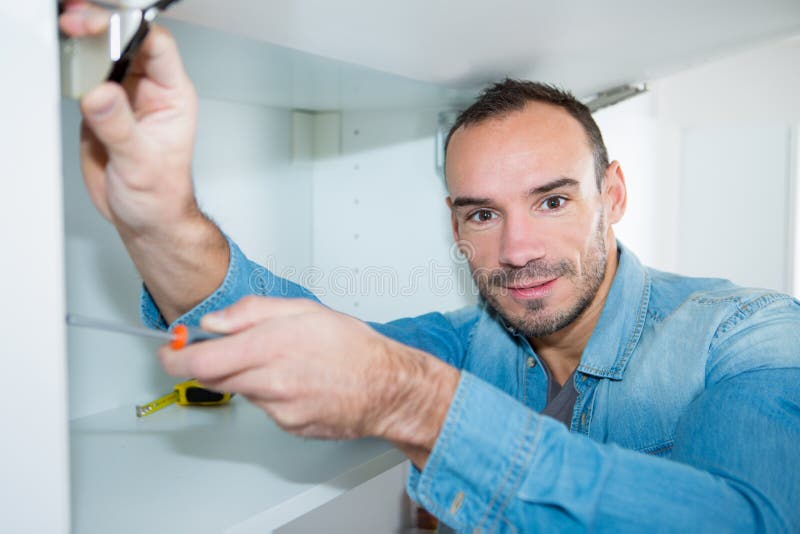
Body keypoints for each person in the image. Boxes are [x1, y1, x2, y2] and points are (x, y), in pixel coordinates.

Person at [60, 3, 800, 532]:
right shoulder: (470, 342)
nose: (516, 251)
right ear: (455, 226)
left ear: (613, 195)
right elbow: (289, 334)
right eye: (482, 214)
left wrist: (419, 405)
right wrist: (159, 218)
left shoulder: (753, 336)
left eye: (551, 201)